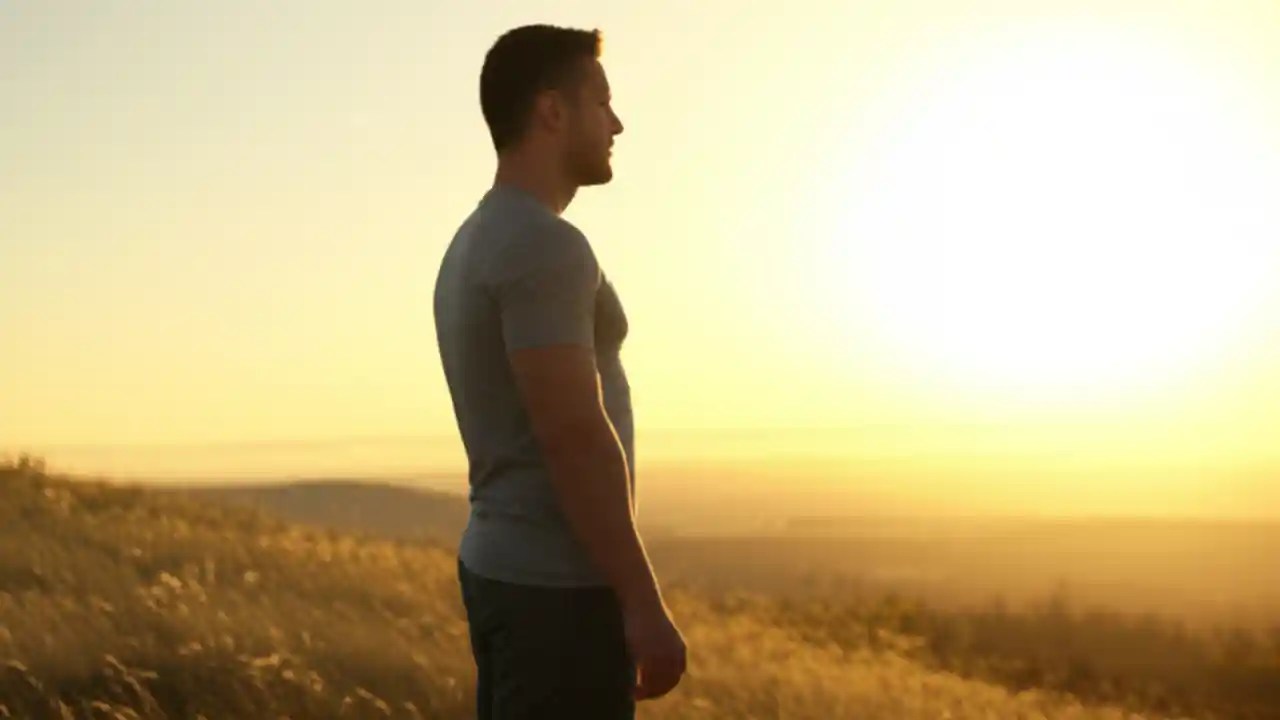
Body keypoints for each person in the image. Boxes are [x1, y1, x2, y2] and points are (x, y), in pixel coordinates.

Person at [433, 24, 688, 719]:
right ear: (552, 111)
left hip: (507, 572)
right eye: (601, 103)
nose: (617, 124)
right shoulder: (545, 247)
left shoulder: (476, 240)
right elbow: (573, 433)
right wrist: (642, 603)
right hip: (558, 595)